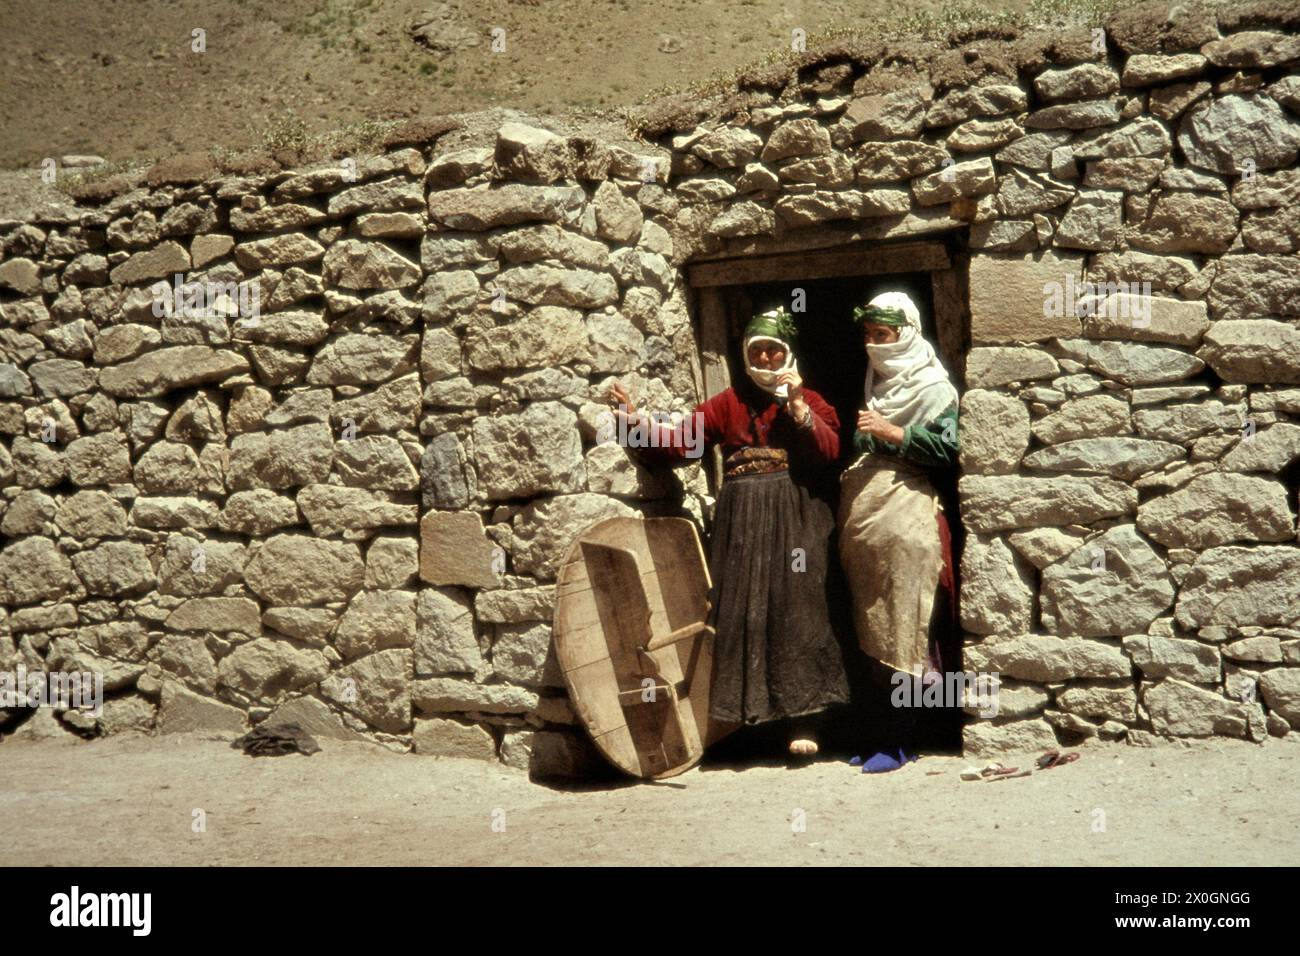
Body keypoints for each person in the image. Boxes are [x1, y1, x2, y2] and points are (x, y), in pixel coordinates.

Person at [605, 308, 851, 759]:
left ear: (787, 354)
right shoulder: (728, 403)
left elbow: (830, 451)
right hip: (742, 521)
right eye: (757, 351)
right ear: (745, 355)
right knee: (740, 612)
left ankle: (804, 718)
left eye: (774, 350)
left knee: (799, 610)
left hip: (796, 519)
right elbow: (683, 444)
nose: (766, 358)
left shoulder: (809, 399)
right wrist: (632, 422)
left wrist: (797, 410)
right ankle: (742, 724)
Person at [838, 291, 960, 770]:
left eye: (883, 336)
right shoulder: (876, 388)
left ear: (906, 335)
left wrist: (895, 434)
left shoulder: (934, 389)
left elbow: (949, 449)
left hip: (908, 521)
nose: (874, 346)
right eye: (867, 336)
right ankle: (877, 735)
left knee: (909, 627)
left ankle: (903, 740)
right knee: (872, 626)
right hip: (866, 526)